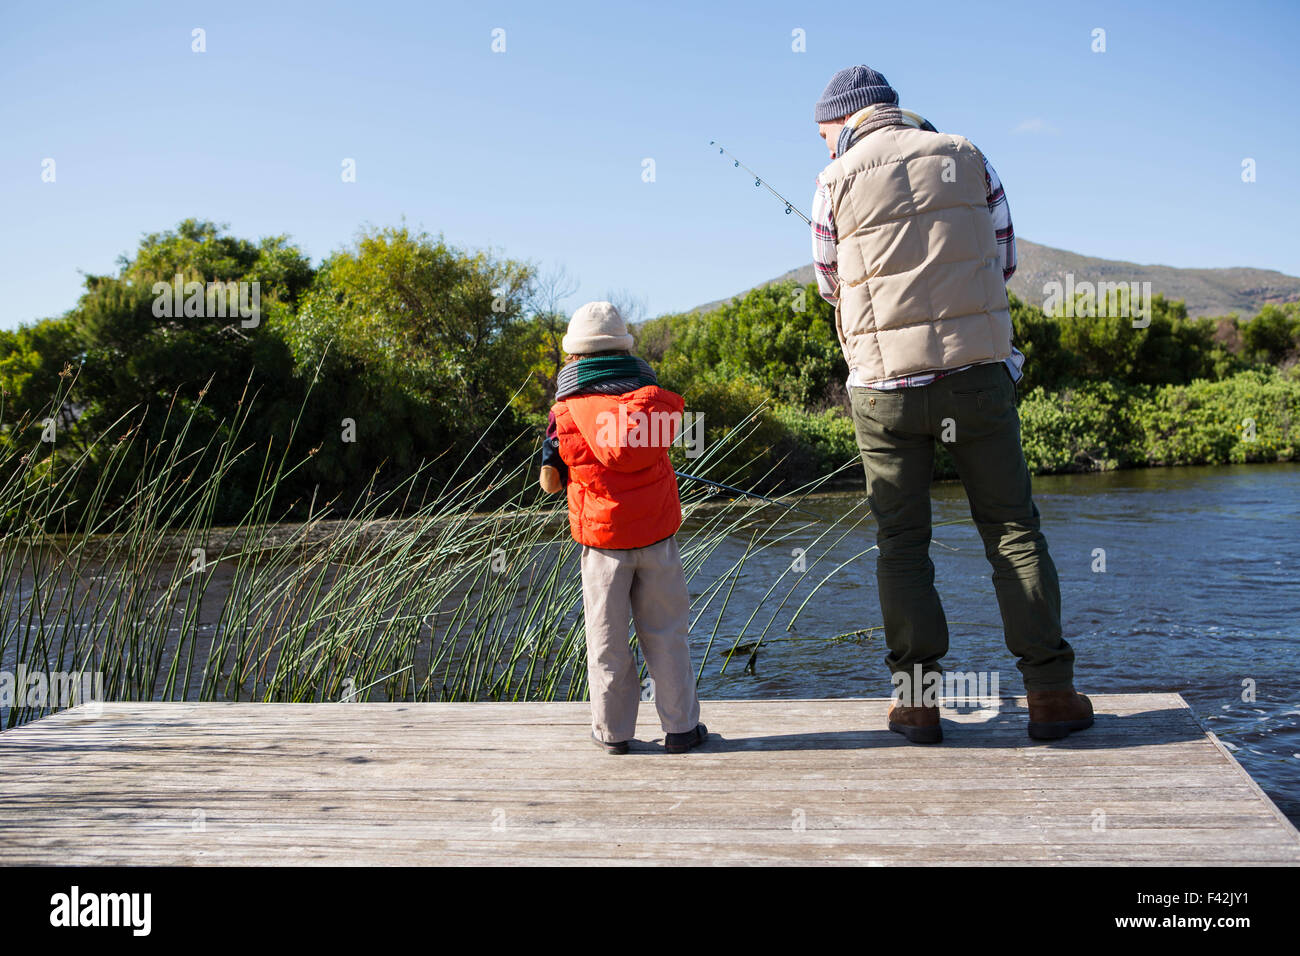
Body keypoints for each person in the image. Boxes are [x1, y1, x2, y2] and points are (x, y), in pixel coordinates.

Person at [809, 65, 1093, 743]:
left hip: (884, 389)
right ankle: (1050, 695)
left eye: (824, 134)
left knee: (902, 545)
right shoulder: (968, 154)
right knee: (1012, 530)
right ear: (896, 111)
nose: (824, 146)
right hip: (976, 376)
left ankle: (916, 704)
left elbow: (829, 285)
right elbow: (1004, 257)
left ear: (845, 121)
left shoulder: (832, 182)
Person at [539, 301, 708, 755]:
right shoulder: (649, 403)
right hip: (657, 538)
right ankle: (682, 730)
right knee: (667, 634)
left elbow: (550, 485)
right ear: (623, 349)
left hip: (603, 543)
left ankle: (613, 734)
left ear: (575, 356)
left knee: (607, 638)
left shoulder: (565, 413)